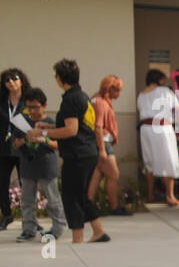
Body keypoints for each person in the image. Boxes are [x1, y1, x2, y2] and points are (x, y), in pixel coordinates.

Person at [37, 59, 109, 243]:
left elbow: (71, 130)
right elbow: (77, 126)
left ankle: (78, 238)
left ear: (60, 79)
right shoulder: (83, 96)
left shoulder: (70, 99)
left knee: (71, 196)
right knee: (82, 194)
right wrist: (47, 126)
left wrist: (42, 132)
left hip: (77, 155)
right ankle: (98, 231)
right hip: (87, 152)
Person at [11, 88, 67, 242]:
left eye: (35, 107)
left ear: (44, 105)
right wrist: (20, 143)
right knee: (27, 200)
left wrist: (44, 139)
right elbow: (15, 143)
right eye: (29, 107)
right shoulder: (22, 121)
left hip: (47, 166)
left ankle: (58, 228)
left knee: (53, 199)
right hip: (28, 166)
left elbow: (59, 145)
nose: (32, 111)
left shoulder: (50, 123)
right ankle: (28, 229)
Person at [136, 69, 179, 206]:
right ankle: (170, 195)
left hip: (145, 128)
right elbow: (177, 108)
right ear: (159, 80)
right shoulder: (165, 92)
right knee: (169, 159)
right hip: (162, 127)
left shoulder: (141, 95)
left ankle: (150, 195)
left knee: (148, 160)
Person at [89, 75, 131, 216]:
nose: (119, 94)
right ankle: (114, 207)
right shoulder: (101, 103)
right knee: (113, 174)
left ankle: (89, 206)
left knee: (98, 175)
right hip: (103, 143)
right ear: (109, 89)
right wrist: (102, 149)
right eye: (117, 90)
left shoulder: (95, 99)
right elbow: (98, 126)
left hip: (98, 142)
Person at [2, 67, 31, 230]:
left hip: (23, 147)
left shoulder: (29, 99)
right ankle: (6, 215)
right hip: (4, 147)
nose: (11, 82)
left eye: (14, 78)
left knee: (25, 182)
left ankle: (29, 218)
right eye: (7, 80)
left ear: (21, 80)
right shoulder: (2, 100)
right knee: (2, 182)